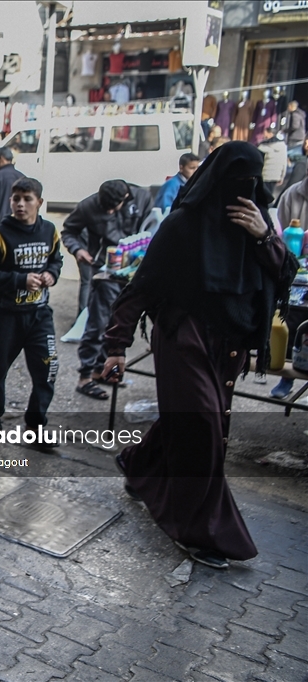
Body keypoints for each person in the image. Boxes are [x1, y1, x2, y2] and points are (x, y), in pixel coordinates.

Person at [102, 142, 297, 570]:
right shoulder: (183, 225)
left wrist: (262, 236)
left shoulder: (258, 225)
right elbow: (141, 287)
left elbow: (286, 272)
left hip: (231, 342)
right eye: (235, 180)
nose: (242, 191)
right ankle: (200, 530)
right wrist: (115, 346)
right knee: (204, 427)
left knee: (191, 422)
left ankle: (138, 465)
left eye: (250, 182)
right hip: (183, 337)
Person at [0, 178, 63, 440]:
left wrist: (51, 274)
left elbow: (56, 260)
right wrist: (19, 280)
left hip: (40, 315)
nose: (20, 204)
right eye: (16, 199)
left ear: (39, 202)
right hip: (6, 317)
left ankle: (36, 424)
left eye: (27, 199)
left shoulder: (50, 231)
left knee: (48, 369)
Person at [65, 180, 153, 399]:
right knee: (98, 324)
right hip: (106, 274)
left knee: (119, 328)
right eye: (106, 209)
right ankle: (85, 377)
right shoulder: (88, 206)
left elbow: (152, 227)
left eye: (115, 207)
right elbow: (69, 231)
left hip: (135, 273)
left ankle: (105, 373)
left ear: (126, 197)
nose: (111, 212)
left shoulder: (141, 197)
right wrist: (78, 250)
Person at [271, 175, 308, 399]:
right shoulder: (293, 194)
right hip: (299, 270)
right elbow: (283, 232)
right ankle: (289, 375)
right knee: (294, 319)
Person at [258, 125, 287, 198]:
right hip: (275, 176)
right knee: (269, 196)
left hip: (264, 175)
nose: (264, 135)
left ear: (270, 133)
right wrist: (282, 176)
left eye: (265, 133)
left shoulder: (263, 146)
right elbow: (284, 162)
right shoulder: (282, 146)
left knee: (261, 196)